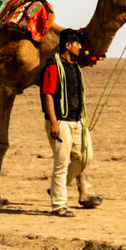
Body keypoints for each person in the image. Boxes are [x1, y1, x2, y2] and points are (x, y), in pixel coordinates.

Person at [41, 28, 103, 216]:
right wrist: (53, 122)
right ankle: (59, 205)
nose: (80, 47)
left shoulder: (74, 66)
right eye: (77, 44)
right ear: (68, 45)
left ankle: (56, 189)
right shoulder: (53, 66)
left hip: (77, 121)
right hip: (60, 122)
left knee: (85, 157)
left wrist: (82, 117)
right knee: (61, 163)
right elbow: (48, 95)